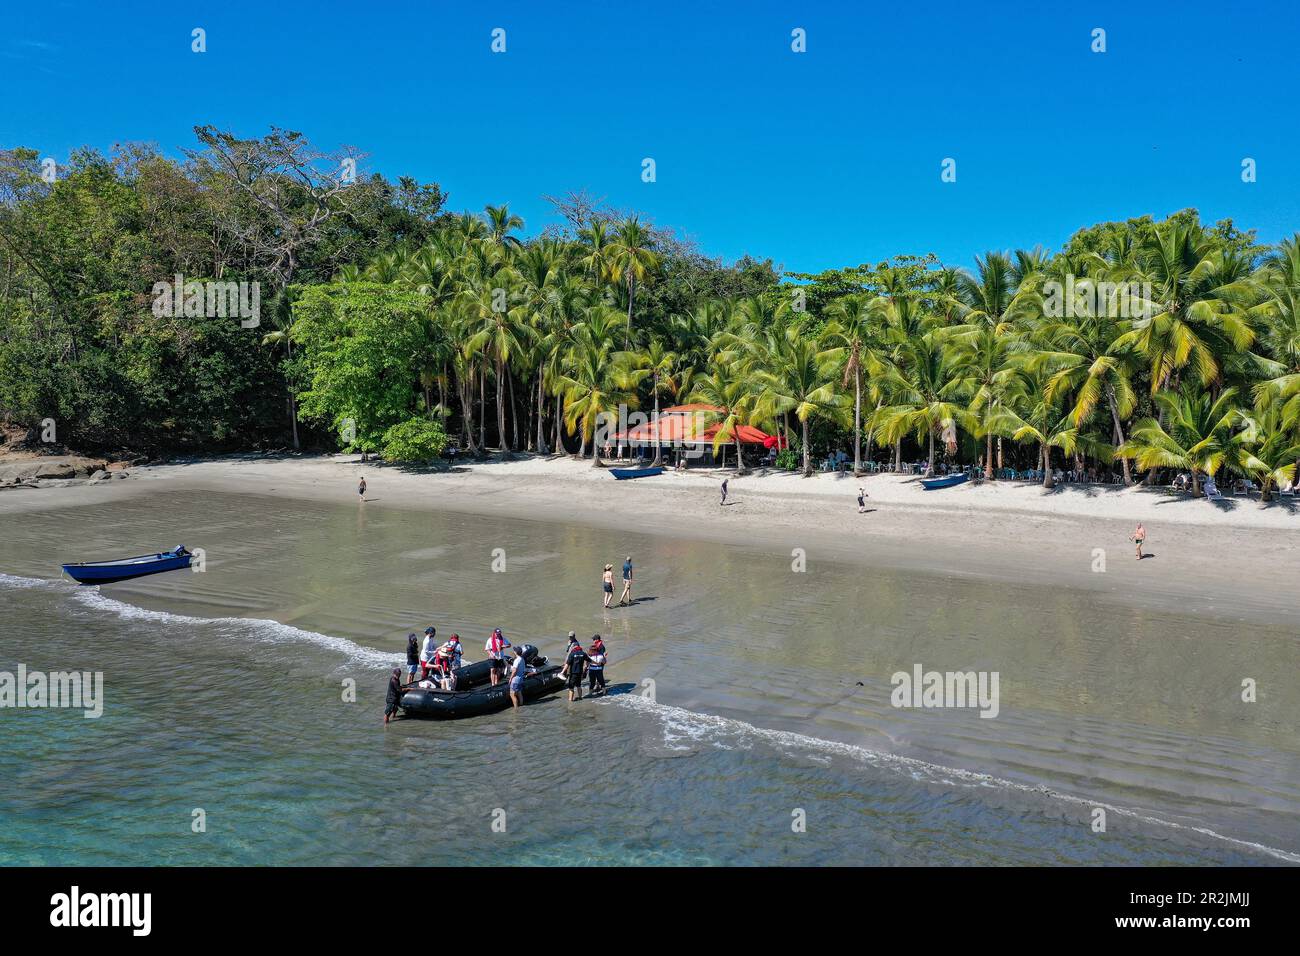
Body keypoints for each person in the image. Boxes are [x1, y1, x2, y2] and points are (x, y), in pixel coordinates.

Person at [560, 635, 590, 702]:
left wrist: (562, 672)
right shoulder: (583, 653)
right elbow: (589, 660)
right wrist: (586, 666)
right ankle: (580, 697)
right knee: (579, 686)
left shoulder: (572, 654)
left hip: (573, 673)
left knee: (571, 687)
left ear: (574, 647)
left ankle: (570, 700)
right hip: (580, 672)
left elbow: (567, 664)